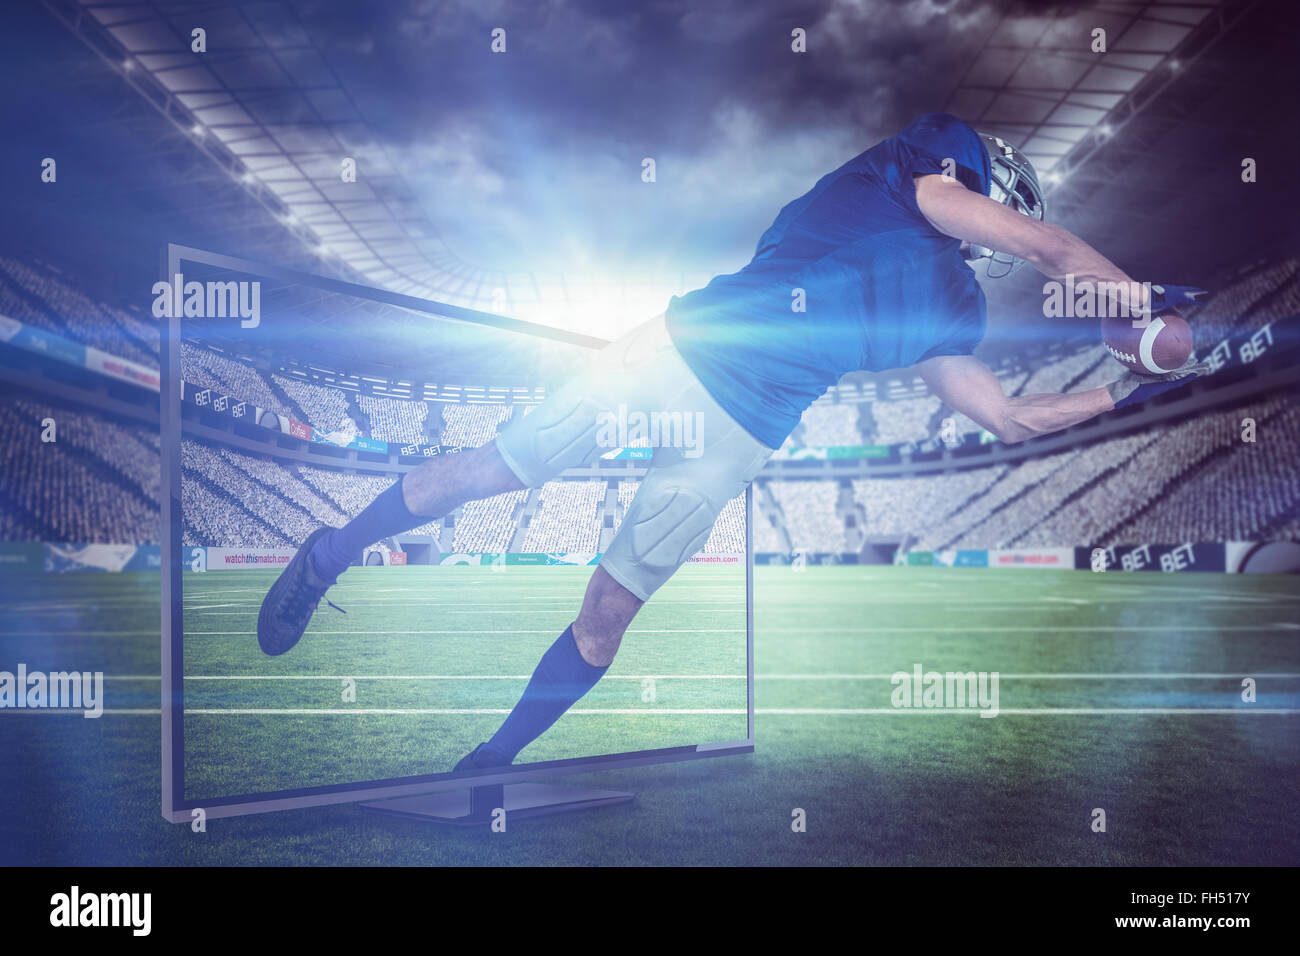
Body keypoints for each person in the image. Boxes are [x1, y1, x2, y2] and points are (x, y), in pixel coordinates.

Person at [256, 112, 1207, 769]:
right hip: (680, 347)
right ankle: (327, 553)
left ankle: (488, 762)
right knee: (490, 469)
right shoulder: (908, 173)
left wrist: (1119, 393)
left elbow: (1003, 416)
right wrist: (1146, 304)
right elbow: (1049, 250)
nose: (1010, 226)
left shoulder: (954, 303)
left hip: (743, 428)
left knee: (608, 611)